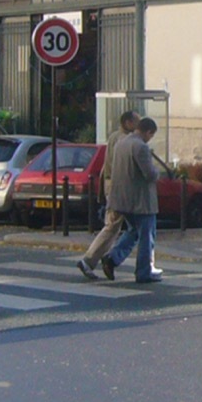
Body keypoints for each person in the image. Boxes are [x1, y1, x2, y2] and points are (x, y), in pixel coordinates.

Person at [76, 109, 139, 281]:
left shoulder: (113, 137)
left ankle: (107, 259)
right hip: (120, 188)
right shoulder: (124, 140)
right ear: (127, 123)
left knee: (121, 227)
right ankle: (92, 260)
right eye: (136, 121)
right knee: (114, 226)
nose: (138, 125)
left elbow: (105, 165)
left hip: (112, 186)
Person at [103, 117, 164, 284]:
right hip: (141, 201)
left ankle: (112, 258)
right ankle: (144, 272)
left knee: (133, 232)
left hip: (121, 198)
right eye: (151, 135)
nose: (150, 139)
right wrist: (158, 172)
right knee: (147, 235)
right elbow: (149, 174)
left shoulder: (121, 143)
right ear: (147, 132)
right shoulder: (141, 147)